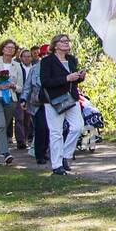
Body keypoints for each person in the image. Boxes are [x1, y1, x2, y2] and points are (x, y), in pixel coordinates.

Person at [39, 33, 84, 175]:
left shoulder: (71, 60)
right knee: (56, 132)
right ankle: (57, 165)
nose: (66, 43)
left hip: (71, 98)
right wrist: (66, 78)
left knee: (78, 126)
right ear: (55, 45)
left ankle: (66, 155)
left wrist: (79, 77)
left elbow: (73, 81)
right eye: (63, 41)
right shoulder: (47, 61)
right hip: (54, 100)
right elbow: (45, 82)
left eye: (67, 41)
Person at [18, 47, 40, 154]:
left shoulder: (35, 67)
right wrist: (22, 98)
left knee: (28, 120)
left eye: (29, 56)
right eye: (24, 56)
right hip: (21, 96)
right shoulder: (18, 67)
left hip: (34, 99)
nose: (27, 58)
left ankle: (30, 140)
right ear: (21, 58)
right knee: (19, 119)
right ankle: (21, 141)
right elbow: (26, 85)